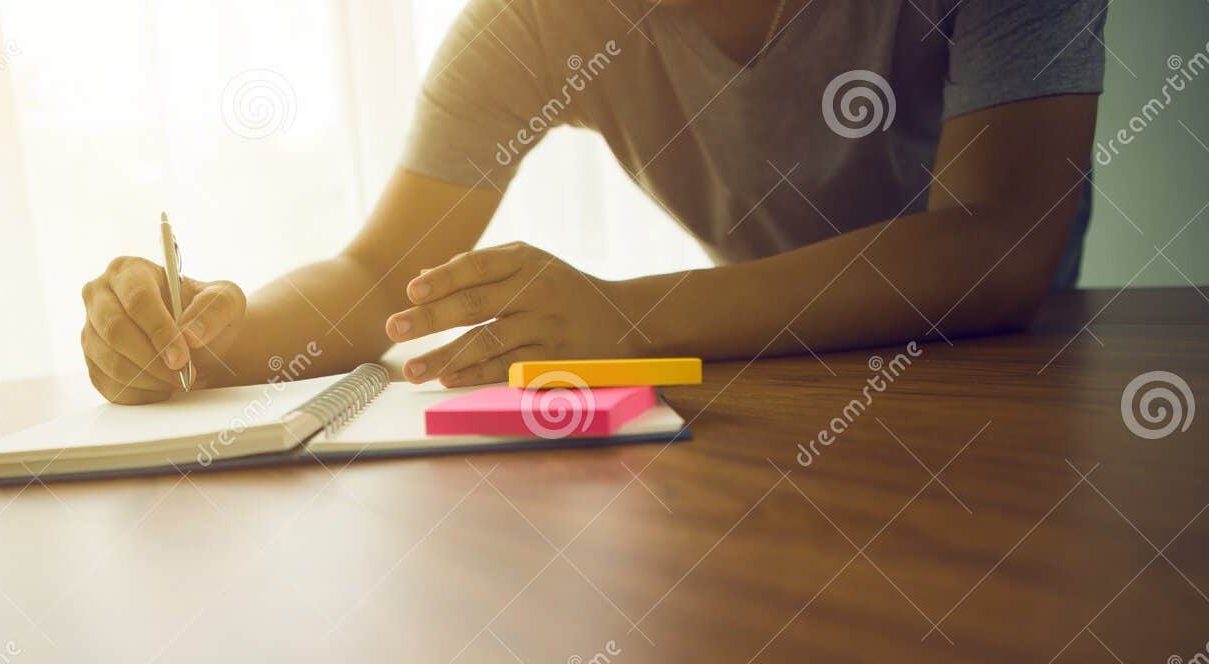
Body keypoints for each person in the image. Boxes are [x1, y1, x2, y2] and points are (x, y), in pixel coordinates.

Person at [80, 0, 1107, 404]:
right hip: (770, 389)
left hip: (1003, 394)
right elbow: (381, 275)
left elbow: (998, 242)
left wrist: (626, 317)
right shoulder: (539, 19)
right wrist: (212, 332)